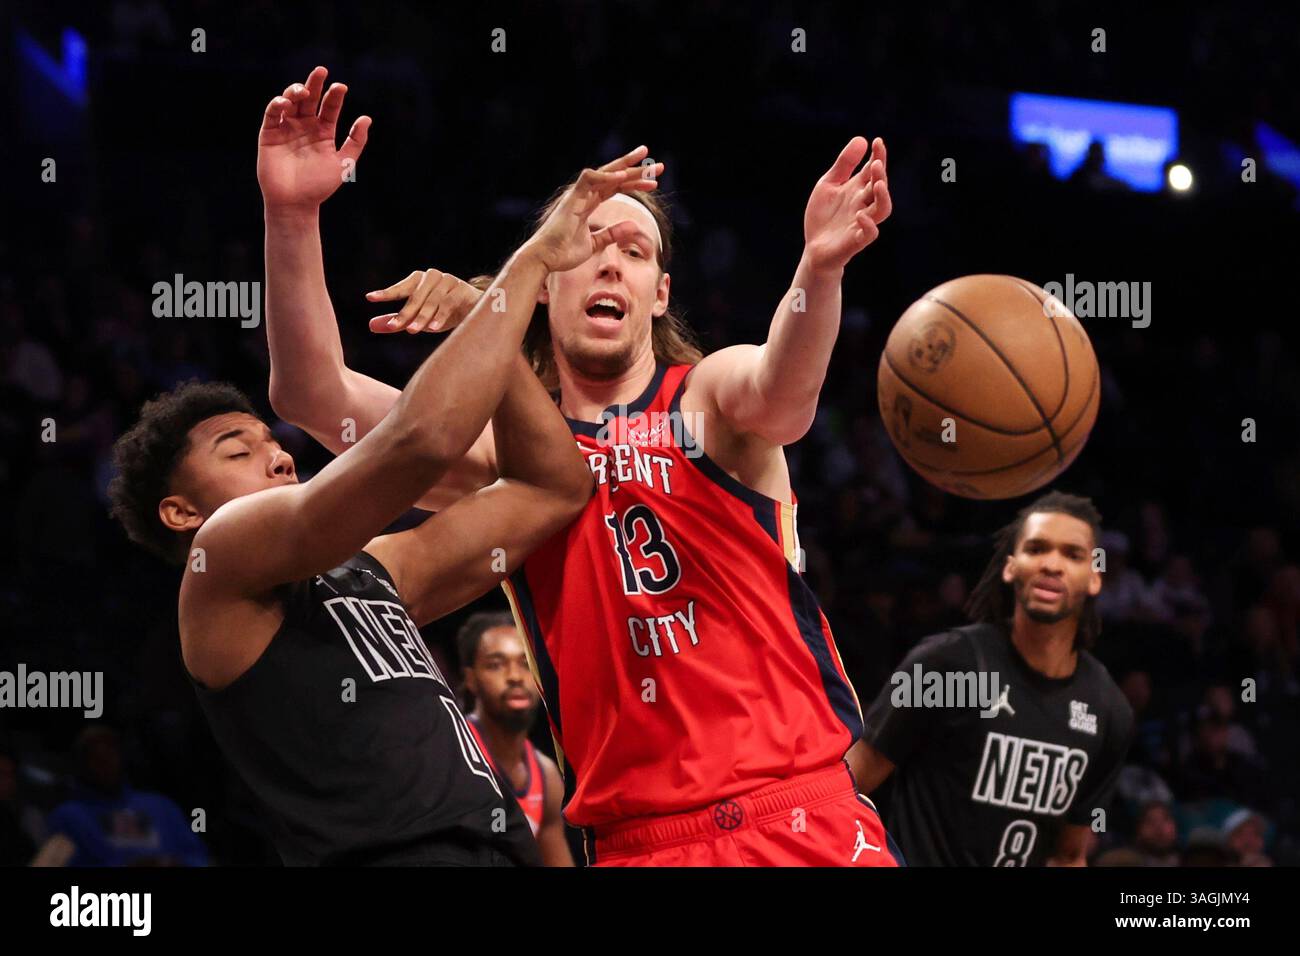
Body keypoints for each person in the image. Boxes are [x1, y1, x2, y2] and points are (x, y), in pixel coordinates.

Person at [265, 67, 898, 867]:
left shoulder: (707, 397)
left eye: (634, 252)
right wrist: (290, 214)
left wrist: (820, 267)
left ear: (660, 292)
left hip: (800, 814)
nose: (610, 264)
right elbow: (310, 390)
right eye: (588, 246)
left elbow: (784, 394)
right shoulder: (511, 459)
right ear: (539, 286)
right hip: (638, 842)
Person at [102, 71, 662, 865]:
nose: (275, 450)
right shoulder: (218, 562)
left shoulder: (373, 571)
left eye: (265, 439)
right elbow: (415, 442)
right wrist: (522, 275)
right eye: (236, 450)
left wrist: (478, 312)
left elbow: (553, 487)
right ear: (181, 512)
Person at [851, 492, 1134, 866]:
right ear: (1010, 567)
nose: (1052, 564)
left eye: (1072, 554)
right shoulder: (947, 665)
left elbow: (1068, 855)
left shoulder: (1108, 709)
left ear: (1095, 578)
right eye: (1037, 549)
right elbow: (848, 785)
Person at [457, 612, 574, 866]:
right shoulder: (452, 753)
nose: (515, 676)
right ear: (471, 679)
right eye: (496, 664)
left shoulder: (546, 776)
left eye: (524, 663)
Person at [31, 727, 208, 867]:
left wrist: (173, 863)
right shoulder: (67, 817)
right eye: (96, 757)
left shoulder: (161, 806)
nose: (105, 763)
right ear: (82, 763)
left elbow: (197, 856)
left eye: (110, 754)